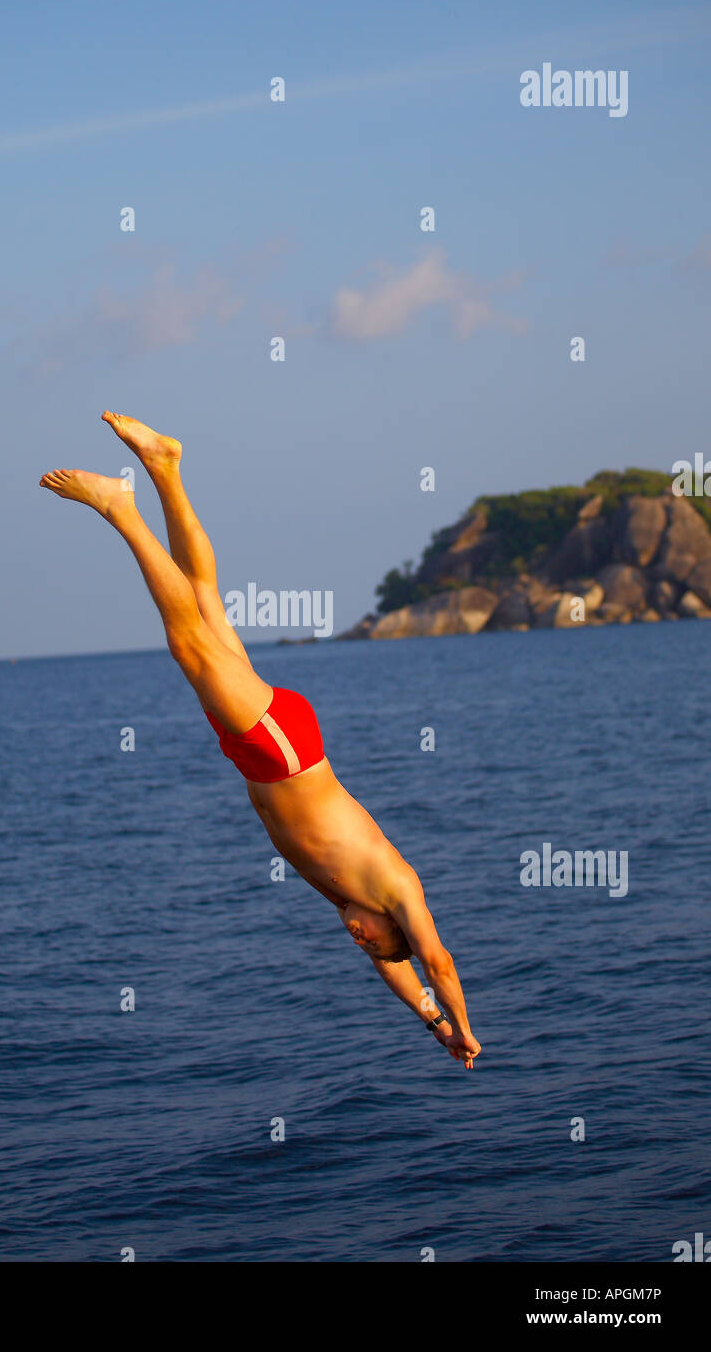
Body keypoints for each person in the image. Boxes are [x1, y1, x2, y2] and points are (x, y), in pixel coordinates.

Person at [41, 412, 482, 1069]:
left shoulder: (343, 897)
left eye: (365, 945)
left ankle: (165, 466)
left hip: (264, 750)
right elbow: (434, 961)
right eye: (373, 941)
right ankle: (120, 509)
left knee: (207, 603)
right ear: (391, 926)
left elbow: (399, 972)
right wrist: (463, 1025)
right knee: (189, 641)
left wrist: (428, 1023)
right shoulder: (394, 886)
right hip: (283, 750)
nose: (360, 940)